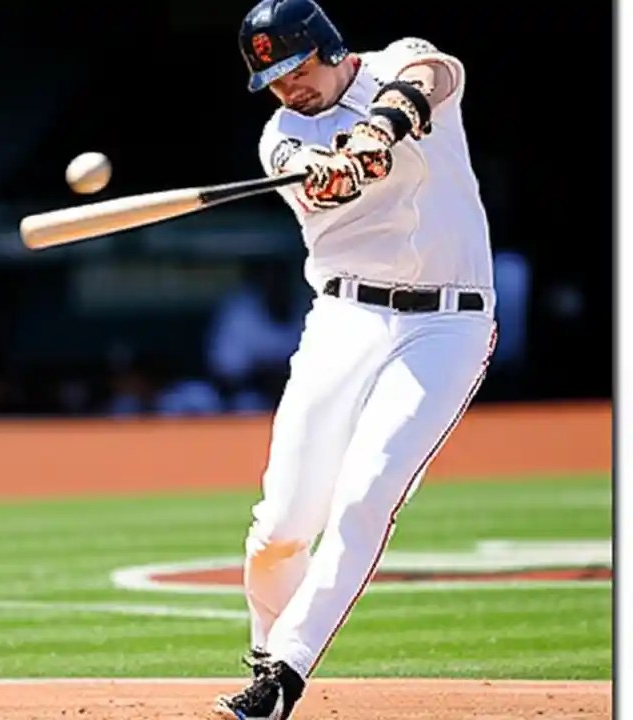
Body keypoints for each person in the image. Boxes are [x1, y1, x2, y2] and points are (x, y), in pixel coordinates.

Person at [214, 1, 497, 718]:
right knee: (281, 526)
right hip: (347, 316)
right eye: (273, 79)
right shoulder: (281, 138)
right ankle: (264, 649)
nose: (289, 87)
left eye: (297, 68)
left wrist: (378, 130)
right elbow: (316, 173)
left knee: (368, 491)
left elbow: (428, 78)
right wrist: (333, 170)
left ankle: (283, 674)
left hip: (448, 322)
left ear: (330, 48)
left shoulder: (400, 58)